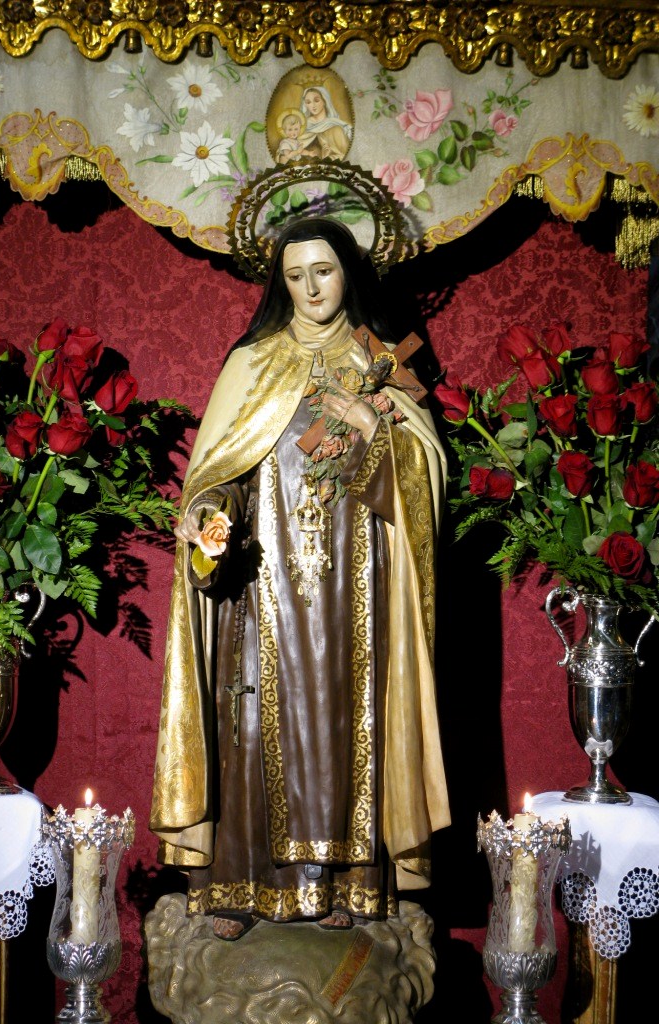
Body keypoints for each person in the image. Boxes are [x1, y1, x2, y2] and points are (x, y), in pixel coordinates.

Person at [150, 217, 450, 941]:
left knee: (355, 722)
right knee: (252, 727)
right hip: (263, 594)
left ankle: (352, 880)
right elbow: (220, 473)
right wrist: (210, 522)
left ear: (348, 271)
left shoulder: (380, 362)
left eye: (323, 271)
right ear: (278, 282)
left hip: (359, 593)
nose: (310, 288)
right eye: (294, 275)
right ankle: (239, 885)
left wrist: (377, 431)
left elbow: (427, 475)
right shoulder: (254, 363)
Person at [298, 86, 352, 161]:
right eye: (308, 102)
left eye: (316, 100)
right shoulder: (302, 127)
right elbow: (290, 151)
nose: (313, 105)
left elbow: (345, 154)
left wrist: (327, 158)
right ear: (305, 105)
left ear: (324, 101)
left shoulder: (335, 127)